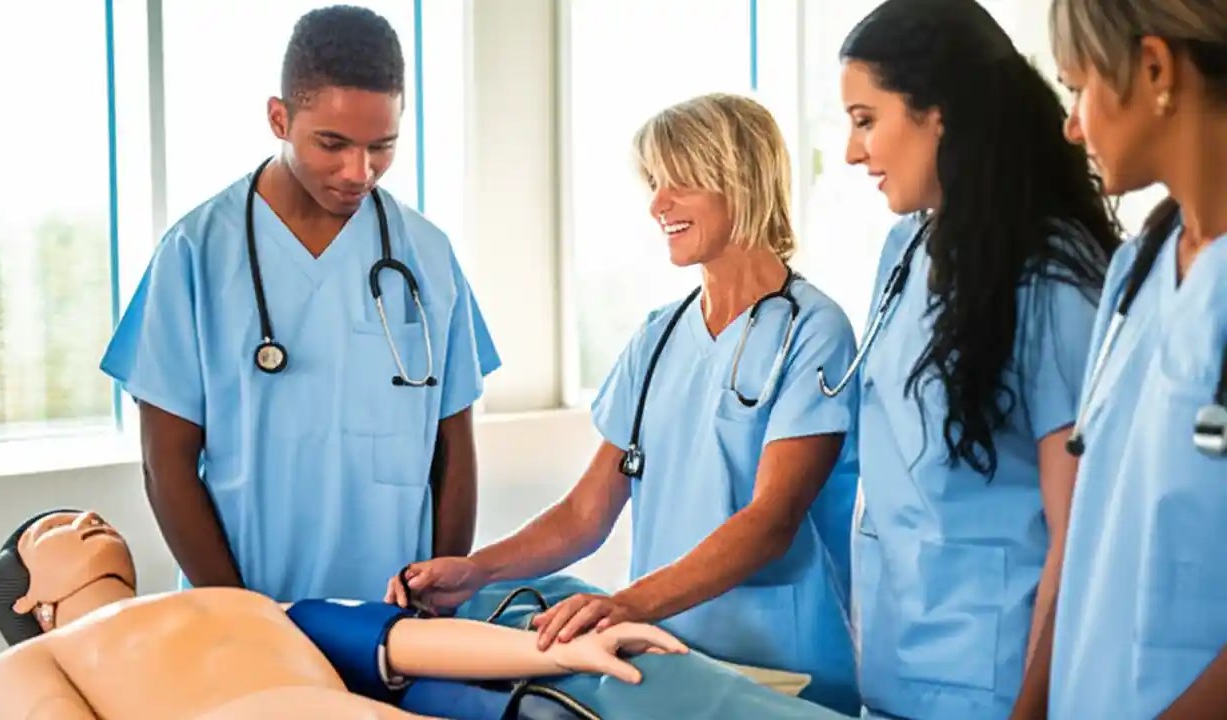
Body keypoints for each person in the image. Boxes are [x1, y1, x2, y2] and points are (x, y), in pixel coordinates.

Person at [386, 92, 863, 714]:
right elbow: (587, 513)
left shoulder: (815, 331)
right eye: (654, 183)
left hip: (781, 666)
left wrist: (629, 603)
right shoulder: (658, 336)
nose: (658, 204)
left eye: (679, 182)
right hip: (670, 654)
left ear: (739, 180)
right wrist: (475, 571)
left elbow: (771, 522)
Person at [99, 6, 500, 602]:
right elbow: (167, 464)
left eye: (382, 147)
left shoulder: (427, 256)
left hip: (394, 618)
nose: (358, 172)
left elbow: (454, 448)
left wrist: (435, 602)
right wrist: (239, 618)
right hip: (246, 613)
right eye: (332, 144)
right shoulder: (196, 252)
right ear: (279, 118)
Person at [830, 1, 1121, 718]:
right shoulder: (904, 253)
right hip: (895, 671)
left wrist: (1032, 707)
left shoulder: (1050, 277)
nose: (850, 151)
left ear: (940, 113)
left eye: (867, 120)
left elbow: (1077, 530)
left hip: (995, 688)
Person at [0, 509, 686, 720]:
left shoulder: (245, 601)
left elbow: (404, 643)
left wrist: (556, 651)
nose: (92, 519)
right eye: (57, 527)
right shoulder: (23, 662)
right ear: (25, 601)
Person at [1045, 2, 1227, 718]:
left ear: (1154, 68)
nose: (1071, 125)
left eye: (1076, 88)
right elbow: (1092, 534)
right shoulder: (1135, 272)